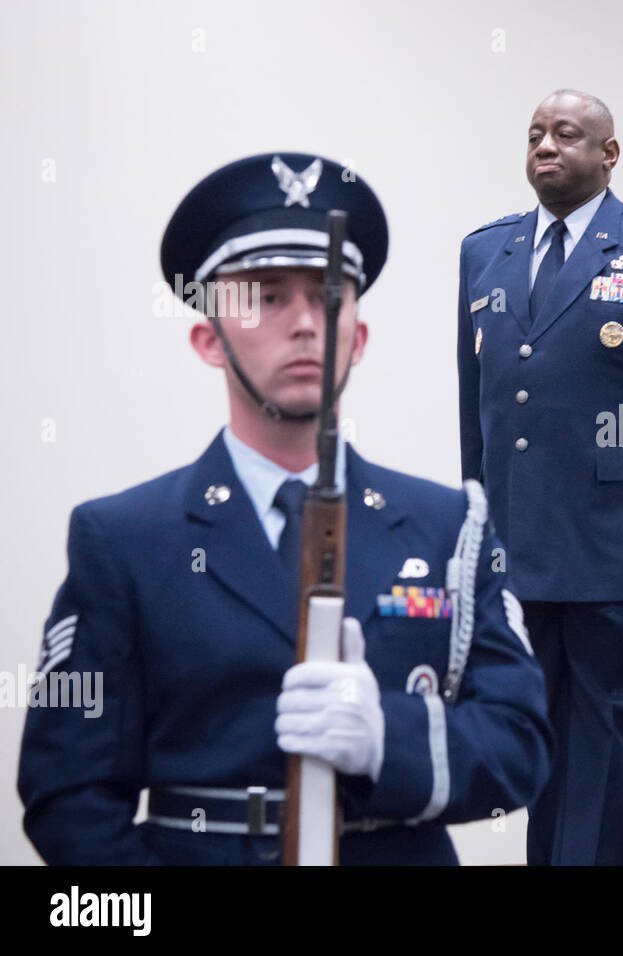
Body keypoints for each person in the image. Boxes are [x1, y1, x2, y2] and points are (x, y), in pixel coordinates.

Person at [18, 152, 551, 865]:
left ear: (356, 339)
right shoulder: (123, 539)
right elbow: (67, 793)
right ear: (209, 340)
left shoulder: (449, 526)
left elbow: (521, 745)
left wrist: (386, 737)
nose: (304, 323)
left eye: (329, 297)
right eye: (266, 296)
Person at [457, 90, 623, 865]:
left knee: (609, 740)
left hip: (621, 549)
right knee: (533, 730)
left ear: (609, 154)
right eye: (536, 134)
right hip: (518, 544)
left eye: (566, 134)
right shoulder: (486, 251)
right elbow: (475, 411)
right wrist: (476, 530)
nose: (546, 145)